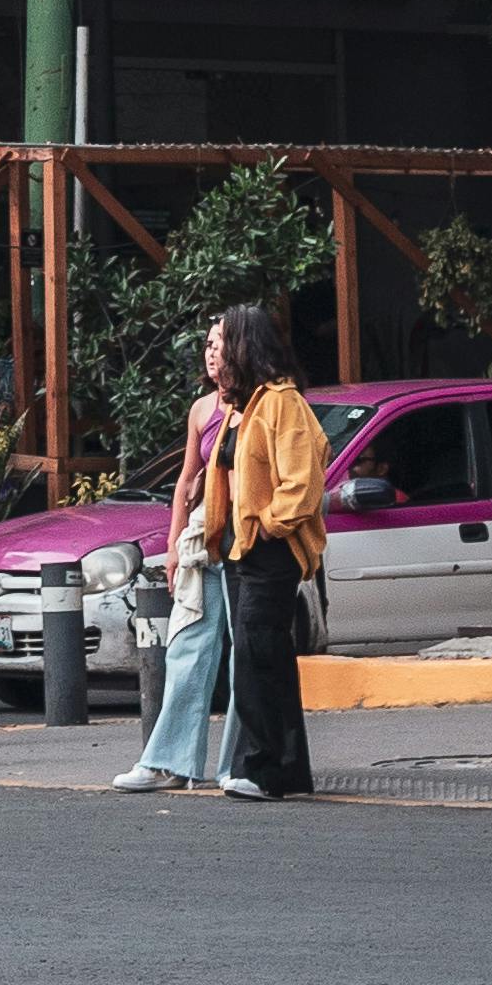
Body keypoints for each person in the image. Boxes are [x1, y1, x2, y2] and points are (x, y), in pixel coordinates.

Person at [208, 296, 328, 801]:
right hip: (241, 551)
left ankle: (267, 769)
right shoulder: (242, 407)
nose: (212, 353)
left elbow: (302, 481)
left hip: (268, 551)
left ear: (243, 347)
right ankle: (278, 768)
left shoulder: (283, 402)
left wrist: (267, 526)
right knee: (258, 658)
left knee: (261, 656)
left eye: (220, 342)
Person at [111, 319, 238, 793]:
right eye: (207, 345)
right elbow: (187, 480)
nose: (211, 354)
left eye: (220, 345)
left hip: (247, 541)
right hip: (206, 538)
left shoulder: (262, 405)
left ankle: (238, 765)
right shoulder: (203, 408)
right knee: (189, 647)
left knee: (243, 654)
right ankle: (169, 761)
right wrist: (173, 544)